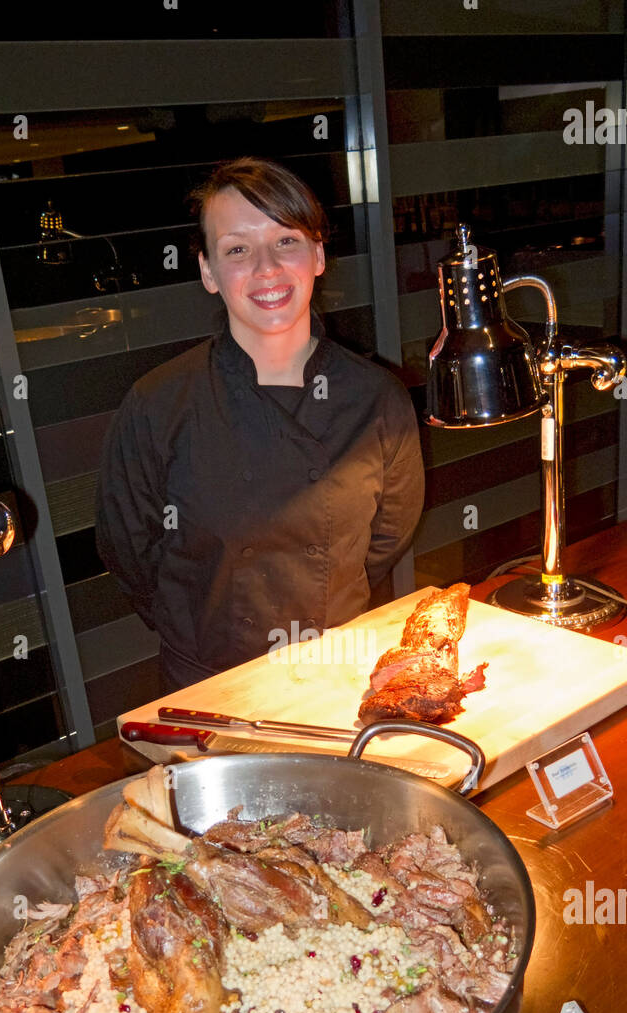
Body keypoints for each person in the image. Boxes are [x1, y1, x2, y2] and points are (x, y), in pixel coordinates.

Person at [95, 156, 425, 695]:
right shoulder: (160, 402)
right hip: (210, 686)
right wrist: (199, 622)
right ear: (208, 271)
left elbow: (387, 538)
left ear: (318, 254)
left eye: (286, 241)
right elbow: (127, 549)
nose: (266, 269)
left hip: (336, 673)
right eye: (237, 250)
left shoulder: (376, 397)